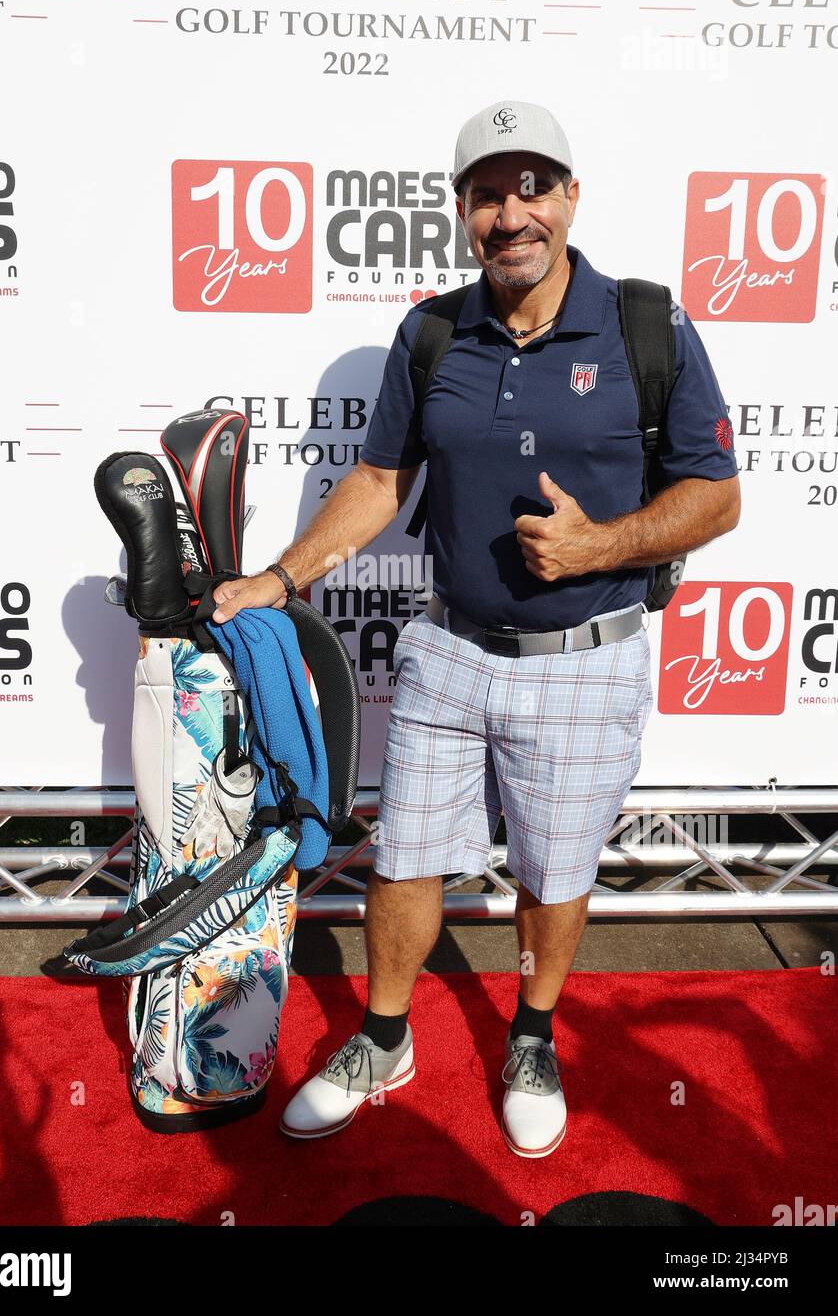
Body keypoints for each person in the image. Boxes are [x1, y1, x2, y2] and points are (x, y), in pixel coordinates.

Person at [210, 99, 741, 1157]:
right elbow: (377, 479)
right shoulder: (435, 330)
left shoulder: (647, 324)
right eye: (488, 193)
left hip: (589, 656)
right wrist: (283, 573)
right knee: (404, 858)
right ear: (462, 212)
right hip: (449, 648)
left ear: (571, 197)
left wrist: (603, 547)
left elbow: (716, 496)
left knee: (555, 866)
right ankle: (386, 1035)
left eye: (533, 186)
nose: (513, 213)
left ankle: (533, 1035)